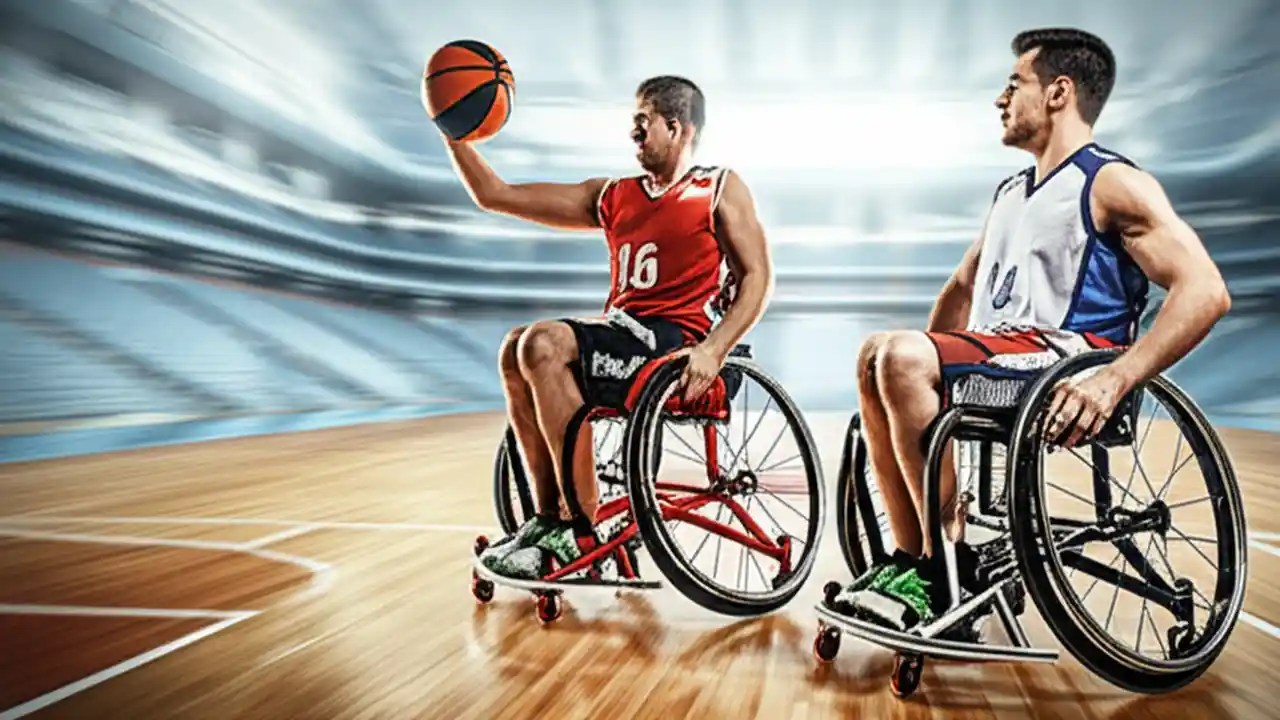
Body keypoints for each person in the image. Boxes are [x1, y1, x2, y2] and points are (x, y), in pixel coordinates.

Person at [833, 28, 1232, 631]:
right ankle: (915, 560)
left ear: (1058, 93)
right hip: (1006, 357)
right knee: (877, 354)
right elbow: (961, 290)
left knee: (900, 358)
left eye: (1014, 83)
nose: (1000, 98)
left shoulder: (1111, 182)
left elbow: (1206, 290)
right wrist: (905, 382)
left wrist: (1113, 381)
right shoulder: (1010, 193)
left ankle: (945, 566)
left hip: (1064, 363)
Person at [442, 76, 774, 581]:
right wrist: (452, 129)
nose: (633, 132)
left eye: (642, 121)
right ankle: (548, 519)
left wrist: (714, 350)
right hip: (626, 335)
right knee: (515, 348)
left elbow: (759, 277)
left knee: (542, 343)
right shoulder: (615, 194)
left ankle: (579, 528)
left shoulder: (718, 188)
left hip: (677, 346)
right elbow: (496, 194)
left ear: (675, 126)